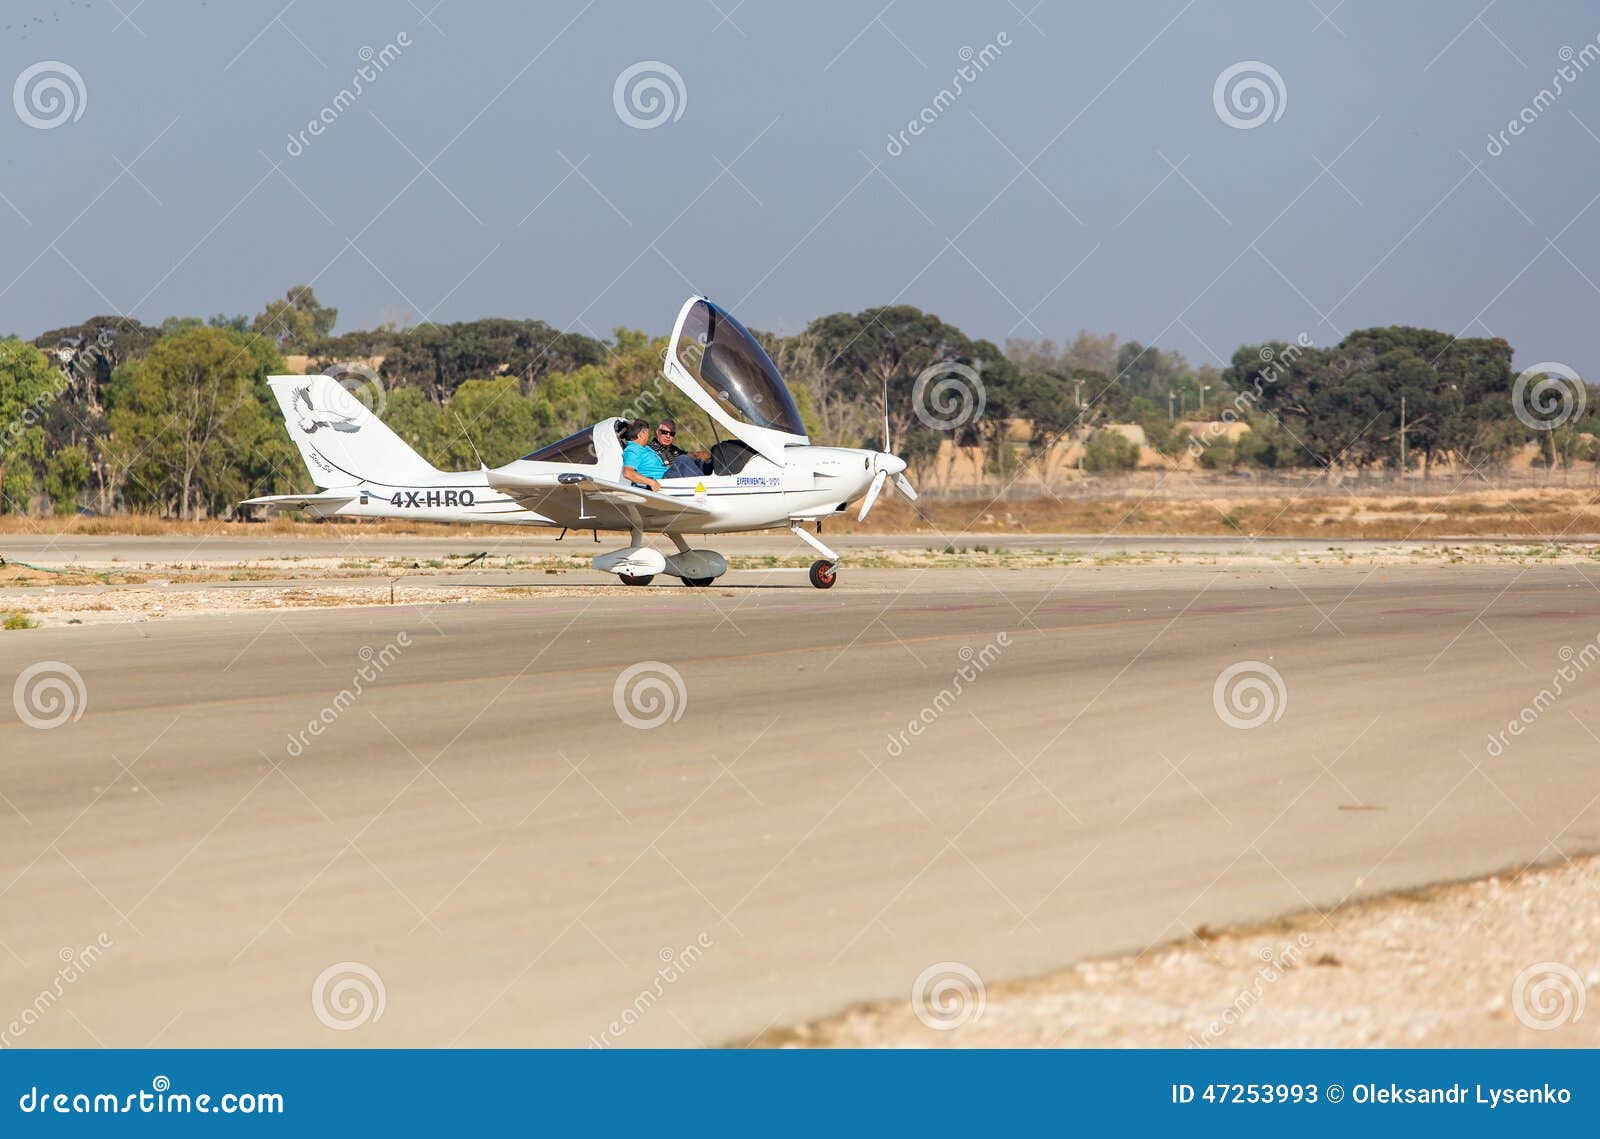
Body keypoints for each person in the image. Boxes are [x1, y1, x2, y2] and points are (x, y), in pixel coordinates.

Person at [620, 419, 667, 491]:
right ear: (641, 434)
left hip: (668, 478)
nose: (648, 435)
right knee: (683, 460)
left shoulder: (645, 448)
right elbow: (628, 472)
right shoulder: (633, 450)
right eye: (647, 433)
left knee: (683, 461)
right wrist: (651, 482)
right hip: (662, 484)